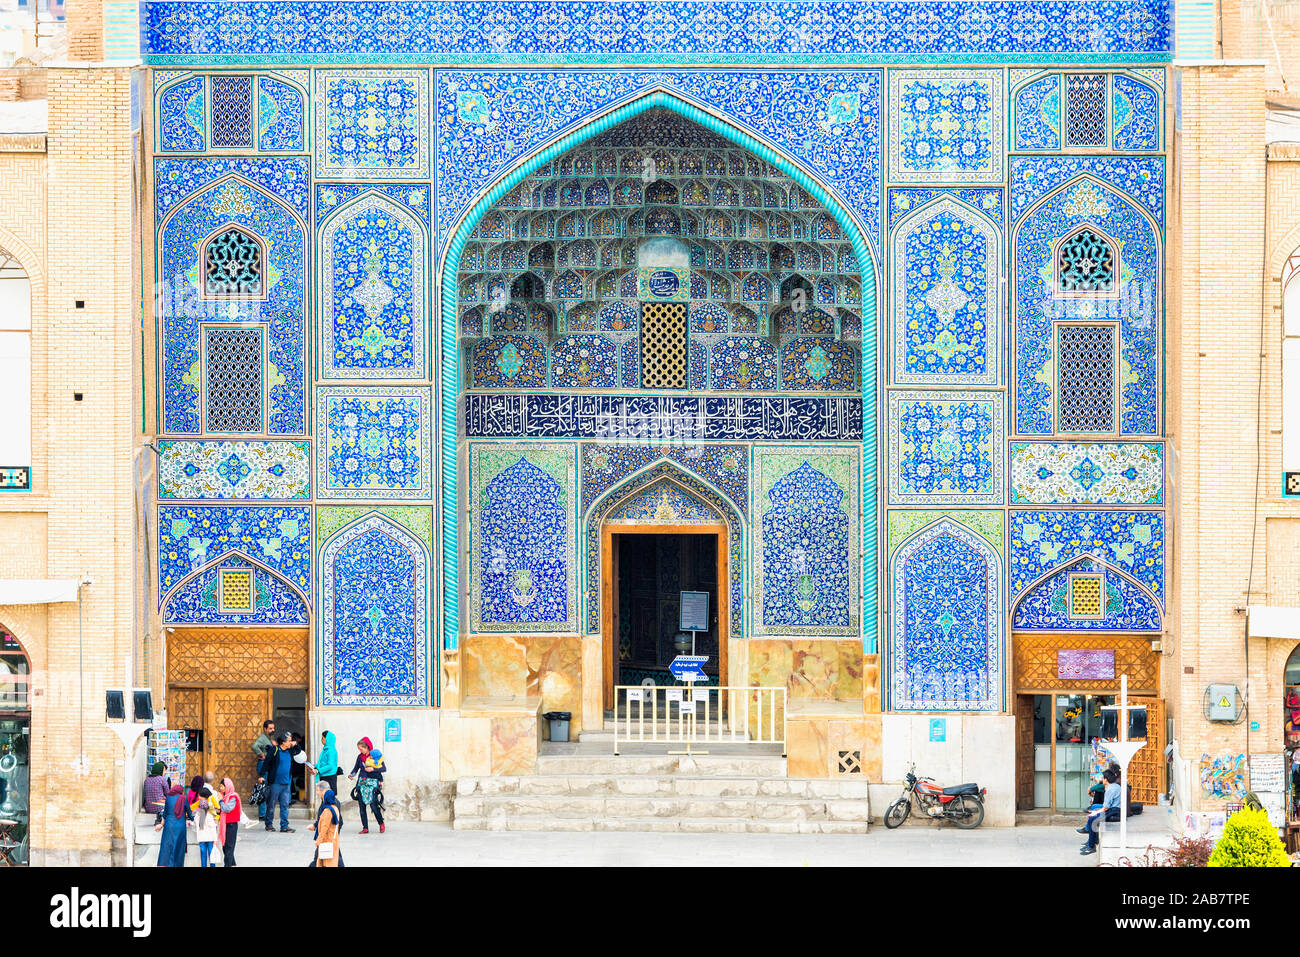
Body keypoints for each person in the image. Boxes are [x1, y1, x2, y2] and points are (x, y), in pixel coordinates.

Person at [257, 732, 299, 833]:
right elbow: (266, 763)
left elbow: (299, 751)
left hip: (286, 783)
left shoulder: (290, 751)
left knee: (285, 805)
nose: (290, 742)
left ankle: (284, 826)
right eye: (289, 740)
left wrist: (295, 744)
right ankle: (269, 824)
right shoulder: (274, 750)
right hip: (275, 783)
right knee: (271, 805)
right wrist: (262, 776)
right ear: (283, 742)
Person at [347, 736, 387, 834]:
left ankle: (381, 823)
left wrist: (373, 769)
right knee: (361, 805)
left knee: (373, 804)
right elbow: (356, 768)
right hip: (362, 782)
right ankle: (365, 827)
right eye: (359, 749)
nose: (360, 751)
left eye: (361, 749)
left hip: (373, 783)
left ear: (367, 747)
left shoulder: (375, 755)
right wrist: (352, 774)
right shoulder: (360, 757)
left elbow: (384, 769)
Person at [1079, 768, 1122, 855]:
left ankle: (1091, 847)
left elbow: (1106, 807)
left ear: (1106, 779)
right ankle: (1092, 842)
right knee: (1093, 814)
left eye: (1103, 778)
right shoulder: (1114, 786)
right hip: (1114, 809)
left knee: (1092, 819)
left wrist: (1095, 812)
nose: (1102, 780)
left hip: (1114, 811)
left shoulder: (1111, 789)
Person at [154, 784, 188, 867]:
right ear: (181, 791)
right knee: (178, 848)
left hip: (169, 825)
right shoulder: (184, 798)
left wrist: (161, 825)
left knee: (166, 847)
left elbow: (165, 814)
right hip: (180, 827)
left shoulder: (168, 798)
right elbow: (190, 815)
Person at [311, 780, 343, 867]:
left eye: (318, 790)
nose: (317, 793)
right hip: (331, 838)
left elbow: (326, 826)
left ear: (324, 791)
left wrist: (319, 840)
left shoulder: (328, 809)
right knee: (334, 860)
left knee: (324, 861)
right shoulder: (330, 805)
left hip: (328, 839)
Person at [252, 719, 275, 825]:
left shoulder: (268, 738)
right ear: (265, 729)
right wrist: (261, 754)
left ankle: (264, 813)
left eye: (273, 728)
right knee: (263, 789)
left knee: (266, 789)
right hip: (263, 766)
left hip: (268, 766)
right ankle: (262, 814)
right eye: (270, 728)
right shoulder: (262, 738)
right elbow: (254, 746)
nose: (272, 730)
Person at [192, 784, 220, 867]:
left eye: (199, 796)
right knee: (210, 851)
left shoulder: (201, 814)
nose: (198, 797)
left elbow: (218, 809)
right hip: (210, 834)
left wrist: (217, 818)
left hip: (203, 835)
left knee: (203, 850)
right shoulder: (208, 814)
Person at [218, 777, 241, 867]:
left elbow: (227, 809)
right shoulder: (225, 796)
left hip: (231, 825)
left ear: (227, 787)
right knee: (225, 846)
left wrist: (220, 801)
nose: (220, 788)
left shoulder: (233, 797)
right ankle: (233, 864)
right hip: (225, 824)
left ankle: (227, 865)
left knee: (229, 847)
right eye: (220, 787)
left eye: (222, 786)